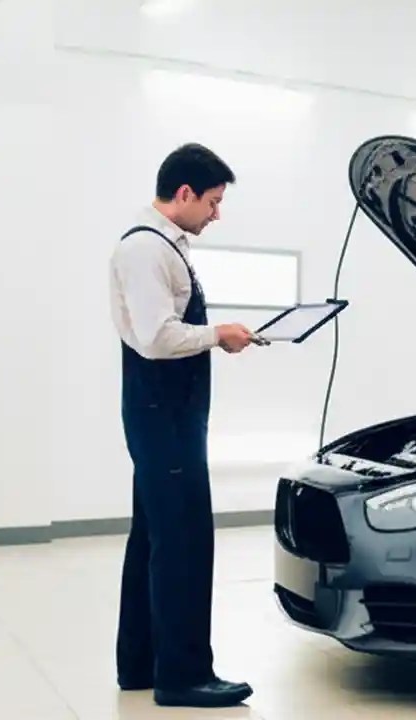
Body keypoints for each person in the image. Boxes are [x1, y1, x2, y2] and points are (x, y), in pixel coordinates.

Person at [108, 142, 256, 708]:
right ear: (185, 193)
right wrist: (220, 334)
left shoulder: (163, 245)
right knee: (185, 540)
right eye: (214, 202)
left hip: (163, 413)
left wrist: (219, 336)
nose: (217, 214)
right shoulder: (146, 250)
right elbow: (156, 337)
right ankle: (185, 675)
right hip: (162, 414)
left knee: (153, 536)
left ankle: (141, 664)